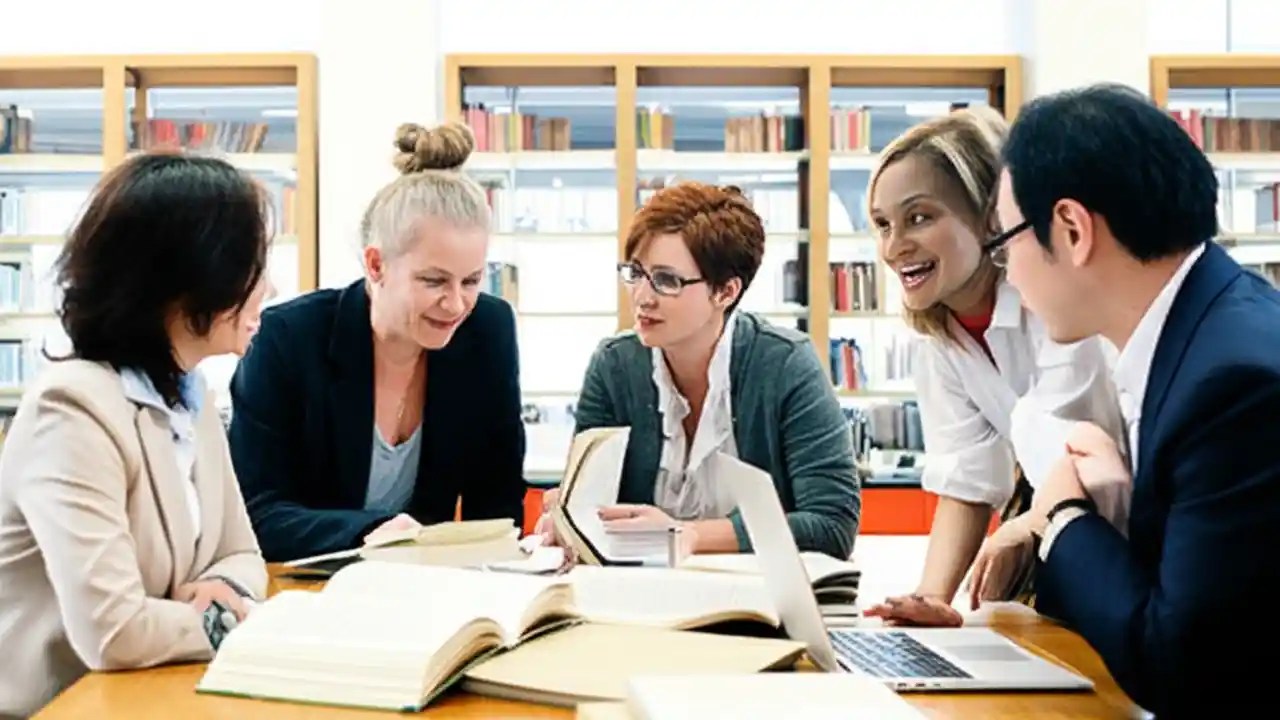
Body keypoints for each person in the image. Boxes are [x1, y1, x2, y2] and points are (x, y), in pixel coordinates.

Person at [986, 83, 1280, 716]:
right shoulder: (1207, 330)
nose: (1006, 273)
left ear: (1070, 228)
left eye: (1005, 243)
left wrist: (1061, 515)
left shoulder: (1234, 384)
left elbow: (1179, 664)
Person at [0, 153, 271, 720]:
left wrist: (216, 589)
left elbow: (243, 554)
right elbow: (115, 631)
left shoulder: (189, 395)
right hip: (54, 707)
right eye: (251, 266)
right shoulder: (71, 409)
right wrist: (234, 619)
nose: (267, 287)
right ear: (193, 279)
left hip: (147, 695)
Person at [860, 108, 1123, 627]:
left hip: (1126, 536)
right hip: (1070, 534)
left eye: (920, 217)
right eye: (883, 225)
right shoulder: (940, 337)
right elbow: (968, 480)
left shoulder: (1052, 304)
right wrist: (931, 599)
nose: (894, 247)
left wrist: (1025, 524)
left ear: (991, 216)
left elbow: (1092, 456)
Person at [227, 121, 526, 562]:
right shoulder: (287, 340)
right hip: (308, 587)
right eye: (433, 280)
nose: (456, 304)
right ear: (376, 264)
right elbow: (256, 513)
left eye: (472, 280)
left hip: (427, 588)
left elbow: (497, 502)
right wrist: (375, 532)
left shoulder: (487, 330)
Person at [538, 181, 860, 560]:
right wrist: (570, 517)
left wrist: (689, 535)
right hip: (640, 597)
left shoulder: (785, 364)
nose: (643, 296)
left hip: (759, 600)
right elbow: (593, 505)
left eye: (666, 280)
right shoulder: (614, 366)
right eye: (636, 273)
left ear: (725, 292)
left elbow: (832, 524)